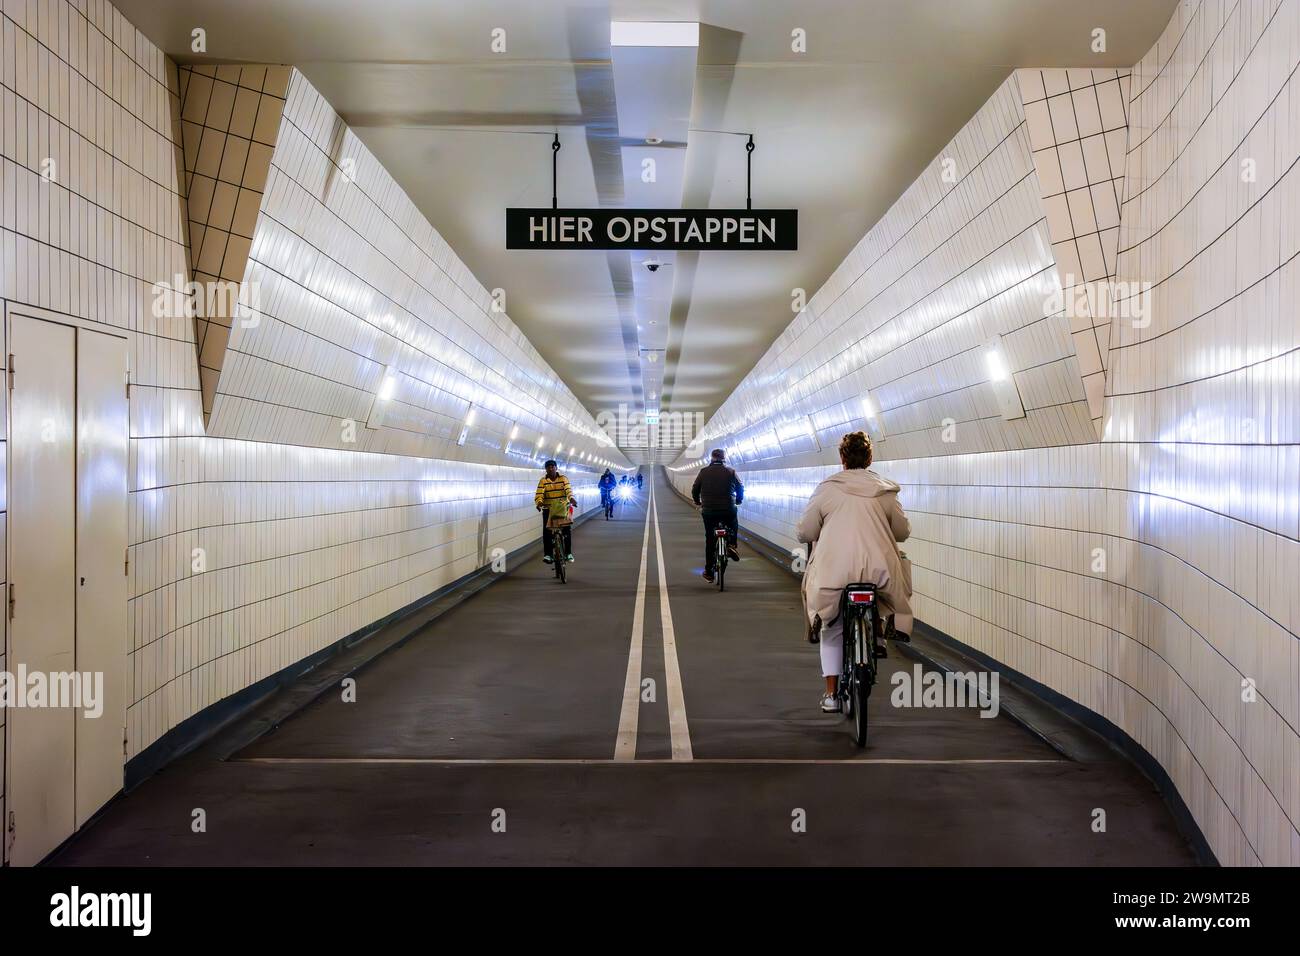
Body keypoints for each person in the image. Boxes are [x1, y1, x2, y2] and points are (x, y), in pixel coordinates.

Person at [796, 431, 912, 714]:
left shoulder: (826, 489)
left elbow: (805, 532)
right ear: (870, 458)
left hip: (835, 571)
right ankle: (881, 634)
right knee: (891, 585)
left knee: (831, 627)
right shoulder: (885, 491)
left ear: (842, 459)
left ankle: (832, 694)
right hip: (879, 570)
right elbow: (902, 532)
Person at [691, 448, 743, 583]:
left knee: (710, 538)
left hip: (709, 511)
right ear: (723, 458)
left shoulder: (703, 472)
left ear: (712, 458)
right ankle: (732, 545)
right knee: (733, 520)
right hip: (728, 509)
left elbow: (695, 488)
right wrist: (738, 500)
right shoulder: (731, 472)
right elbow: (740, 487)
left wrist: (697, 501)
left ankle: (709, 571)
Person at [535, 459, 577, 563]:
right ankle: (548, 555)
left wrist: (571, 499)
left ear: (556, 468)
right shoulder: (543, 481)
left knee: (566, 530)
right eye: (548, 467)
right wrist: (539, 503)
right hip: (548, 509)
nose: (550, 469)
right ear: (545, 469)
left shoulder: (563, 479)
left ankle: (568, 553)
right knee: (547, 532)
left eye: (552, 467)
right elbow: (539, 494)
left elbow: (568, 490)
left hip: (563, 508)